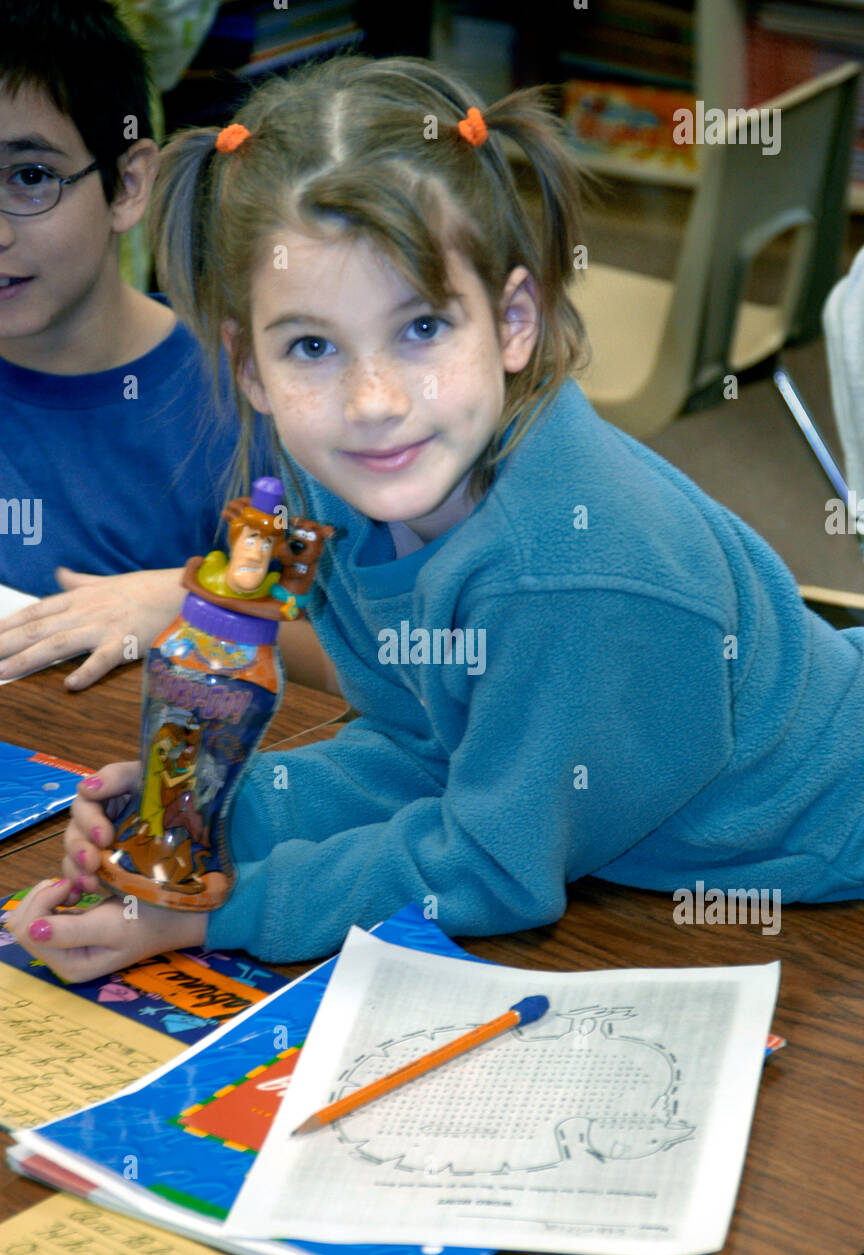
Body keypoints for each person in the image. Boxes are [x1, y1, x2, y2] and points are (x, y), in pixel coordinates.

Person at [9, 52, 864, 983]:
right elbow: (425, 745)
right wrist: (208, 812)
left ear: (513, 323)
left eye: (421, 327)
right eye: (311, 346)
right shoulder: (344, 477)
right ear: (249, 367)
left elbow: (493, 862)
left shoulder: (570, 579)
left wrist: (222, 912)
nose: (374, 399)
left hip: (822, 857)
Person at [0, 0, 278, 690]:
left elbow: (348, 655)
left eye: (29, 178)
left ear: (127, 185)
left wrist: (190, 607)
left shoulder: (248, 402)